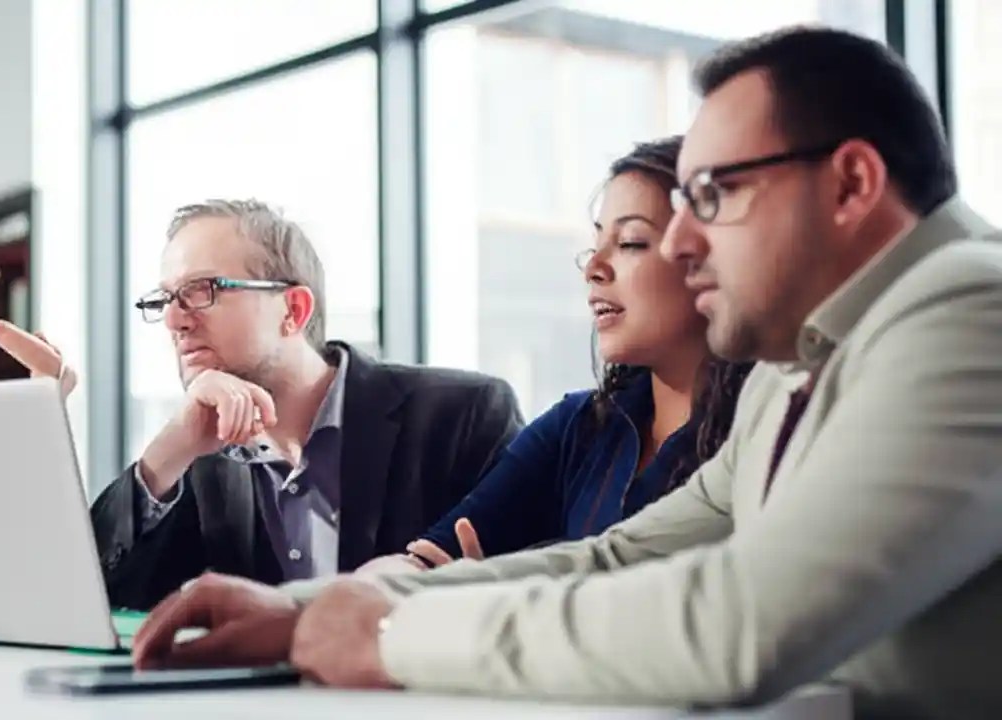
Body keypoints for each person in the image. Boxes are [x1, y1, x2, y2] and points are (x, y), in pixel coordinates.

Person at [127, 27, 1002, 719]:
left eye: (713, 197)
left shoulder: (974, 316)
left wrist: (391, 632)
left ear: (851, 182)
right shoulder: (797, 366)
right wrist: (309, 610)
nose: (682, 240)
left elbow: (742, 623)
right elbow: (617, 556)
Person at [0, 199, 524, 611]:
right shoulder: (202, 463)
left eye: (202, 291)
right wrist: (169, 450)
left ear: (292, 310)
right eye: (166, 299)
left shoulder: (464, 417)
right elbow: (95, 600)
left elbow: (532, 590)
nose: (177, 321)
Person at [357, 137, 751, 575]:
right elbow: (430, 557)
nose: (593, 268)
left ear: (707, 257)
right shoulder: (579, 426)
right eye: (597, 242)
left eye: (632, 242)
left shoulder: (768, 430)